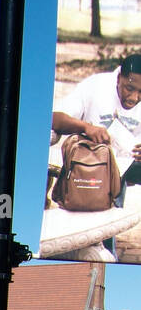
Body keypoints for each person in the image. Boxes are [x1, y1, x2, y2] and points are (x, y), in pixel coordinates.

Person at [52, 52, 141, 201]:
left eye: (140, 92)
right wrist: (87, 127)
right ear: (118, 77)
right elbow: (55, 118)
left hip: (128, 168)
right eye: (129, 88)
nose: (134, 98)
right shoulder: (95, 86)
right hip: (91, 167)